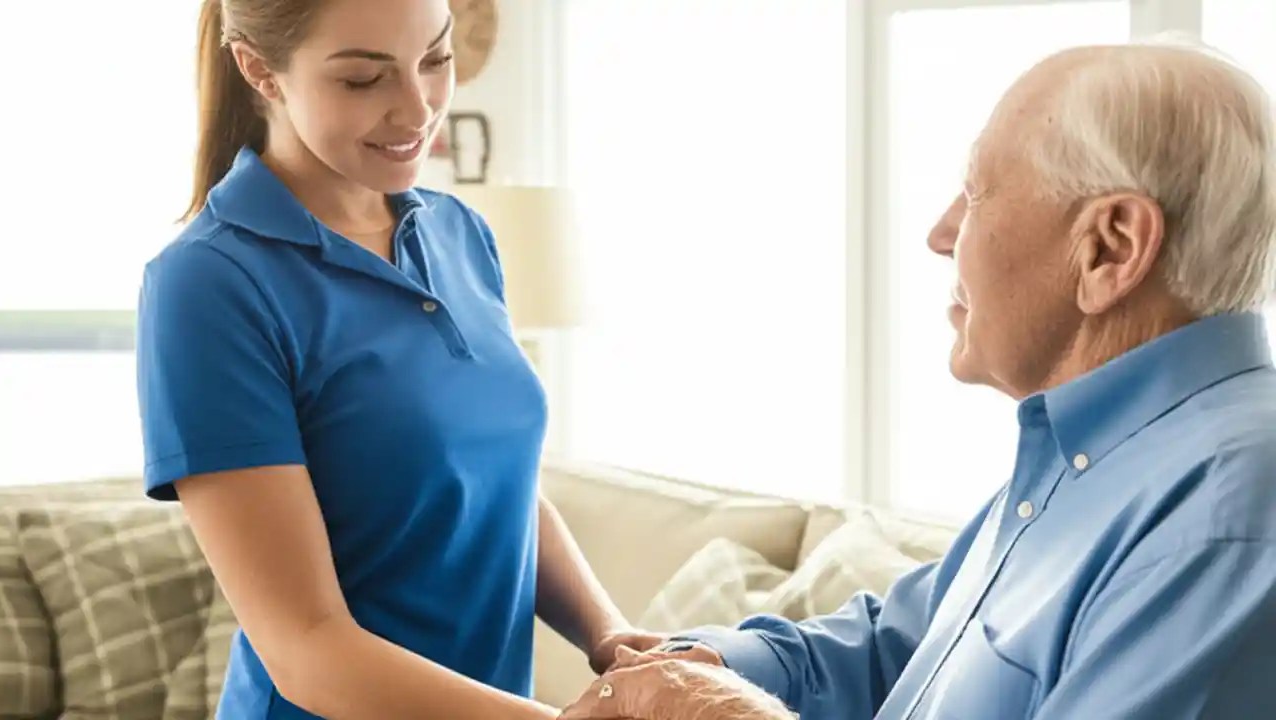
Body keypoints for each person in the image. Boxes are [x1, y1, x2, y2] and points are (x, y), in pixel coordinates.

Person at [563, 40, 1276, 720]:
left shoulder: (1225, 519)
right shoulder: (1088, 456)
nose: (941, 233)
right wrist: (705, 668)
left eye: (977, 192)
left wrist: (722, 712)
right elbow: (899, 649)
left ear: (1110, 247)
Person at [136, 1, 656, 718]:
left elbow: (494, 487)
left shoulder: (461, 233)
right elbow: (305, 649)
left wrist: (610, 636)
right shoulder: (210, 284)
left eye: (436, 60)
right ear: (259, 70)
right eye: (363, 79)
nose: (418, 109)